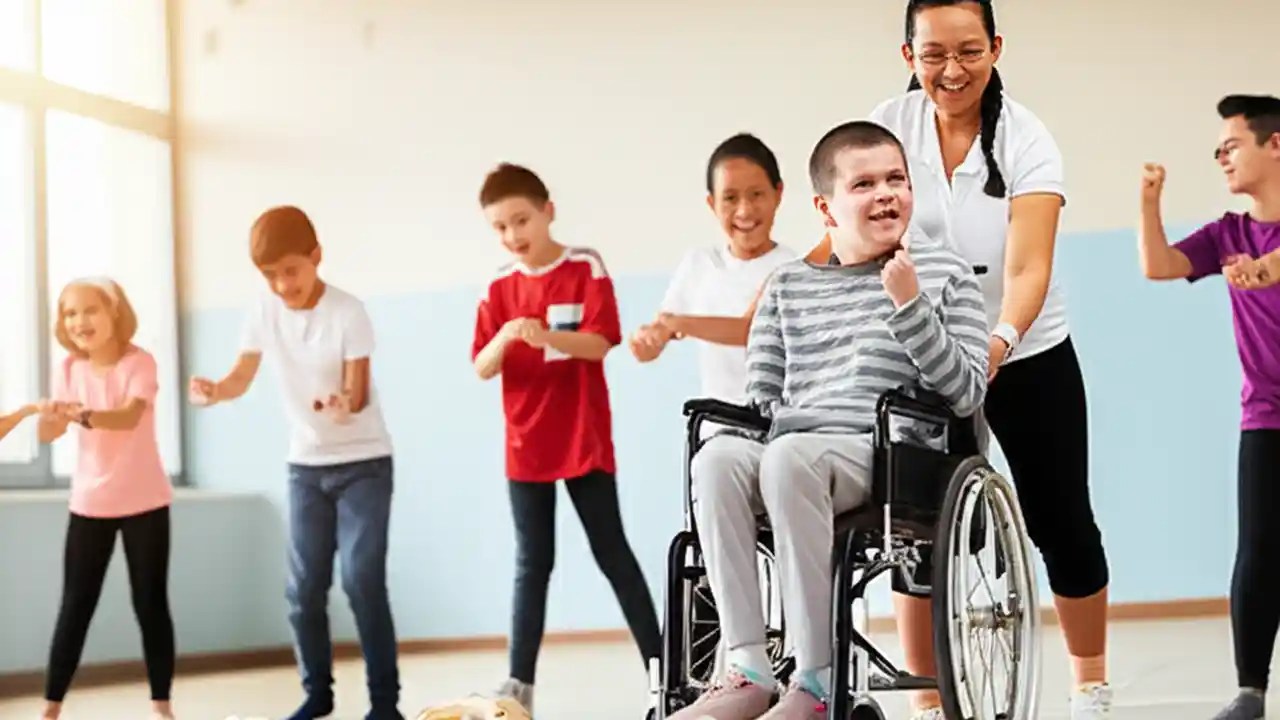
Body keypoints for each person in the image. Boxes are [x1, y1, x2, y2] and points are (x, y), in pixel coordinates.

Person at [667, 120, 988, 720]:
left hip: (888, 454)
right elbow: (762, 404)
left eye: (896, 179)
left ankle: (814, 680)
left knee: (790, 457)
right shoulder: (786, 286)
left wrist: (909, 305)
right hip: (795, 450)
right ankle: (748, 667)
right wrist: (744, 454)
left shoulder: (944, 275)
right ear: (825, 206)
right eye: (863, 184)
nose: (886, 194)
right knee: (717, 459)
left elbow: (967, 392)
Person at [188, 206, 403, 720]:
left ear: (315, 258)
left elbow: (357, 392)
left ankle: (384, 705)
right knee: (303, 589)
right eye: (270, 275)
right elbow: (242, 374)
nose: (283, 285)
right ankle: (318, 695)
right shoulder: (264, 310)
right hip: (306, 467)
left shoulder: (349, 312)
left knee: (361, 578)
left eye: (291, 271)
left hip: (364, 464)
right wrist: (216, 391)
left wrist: (338, 403)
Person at [470, 163, 662, 714]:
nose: (513, 235)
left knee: (612, 552)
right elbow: (481, 367)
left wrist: (547, 334)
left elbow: (601, 344)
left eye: (521, 220)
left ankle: (660, 667)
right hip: (525, 444)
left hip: (582, 437)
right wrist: (507, 338)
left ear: (547, 211)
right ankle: (518, 685)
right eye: (500, 227)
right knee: (533, 562)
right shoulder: (497, 286)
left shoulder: (585, 266)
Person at [1136, 93, 1280, 720]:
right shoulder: (1229, 235)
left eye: (1232, 145)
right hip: (1267, 416)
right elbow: (1158, 265)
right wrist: (1148, 202)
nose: (1222, 157)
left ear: (1275, 145)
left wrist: (1274, 266)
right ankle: (1250, 691)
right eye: (1217, 150)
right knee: (1258, 550)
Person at [37, 277, 177, 720]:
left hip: (145, 501)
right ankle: (51, 707)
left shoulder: (140, 363)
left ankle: (161, 705)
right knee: (76, 604)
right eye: (70, 313)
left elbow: (129, 417)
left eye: (90, 310)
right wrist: (51, 417)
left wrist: (81, 414)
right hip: (90, 504)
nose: (79, 321)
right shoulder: (68, 369)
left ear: (115, 312)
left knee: (150, 602)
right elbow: (48, 432)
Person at [630, 133, 798, 399]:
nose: (744, 211)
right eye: (730, 198)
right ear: (712, 203)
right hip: (715, 428)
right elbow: (660, 330)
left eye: (756, 194)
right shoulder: (699, 264)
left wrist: (677, 323)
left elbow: (751, 331)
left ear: (778, 194)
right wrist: (648, 339)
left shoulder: (790, 268)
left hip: (776, 427)